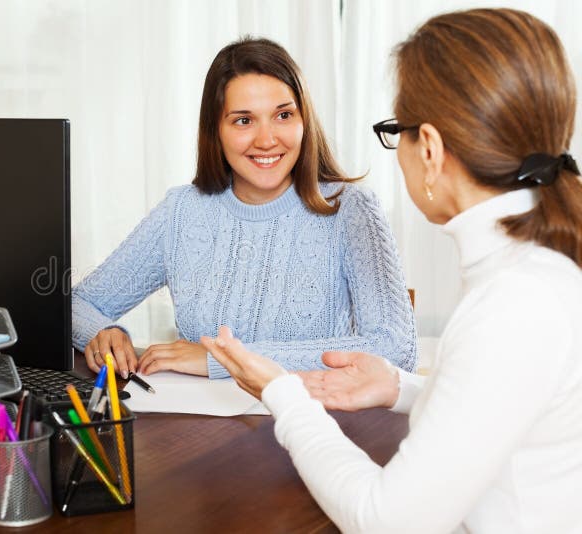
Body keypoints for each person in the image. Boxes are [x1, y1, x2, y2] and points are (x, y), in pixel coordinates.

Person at [203, 8, 582, 533]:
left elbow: (386, 520)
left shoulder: (514, 303)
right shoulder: (535, 273)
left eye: (395, 132)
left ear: (429, 149)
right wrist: (399, 387)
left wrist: (282, 393)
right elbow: (505, 411)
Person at [72, 37, 416, 379]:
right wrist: (104, 333)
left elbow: (395, 348)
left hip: (308, 413)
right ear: (215, 131)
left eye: (283, 115)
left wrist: (226, 359)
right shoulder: (181, 212)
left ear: (304, 121)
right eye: (243, 120)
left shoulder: (350, 209)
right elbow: (76, 304)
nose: (267, 140)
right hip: (197, 412)